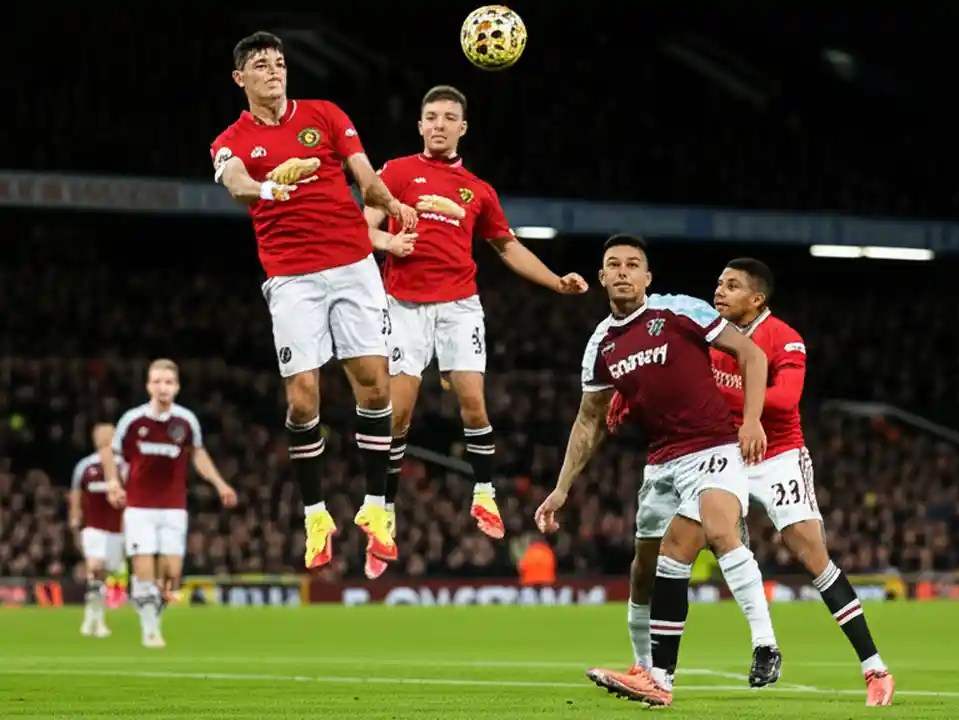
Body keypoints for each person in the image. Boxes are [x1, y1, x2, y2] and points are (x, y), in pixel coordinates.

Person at [589, 258, 896, 706]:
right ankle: (660, 677)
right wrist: (628, 390)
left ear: (757, 299)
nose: (719, 292)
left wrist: (722, 394)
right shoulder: (710, 334)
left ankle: (874, 668)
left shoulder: (784, 338)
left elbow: (785, 400)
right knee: (678, 548)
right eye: (718, 283)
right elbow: (668, 373)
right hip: (721, 453)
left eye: (731, 286)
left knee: (812, 557)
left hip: (777, 455)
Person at [534, 234, 780, 707]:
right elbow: (588, 421)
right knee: (650, 565)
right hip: (662, 463)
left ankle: (764, 644)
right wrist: (561, 489)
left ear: (648, 277)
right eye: (613, 265)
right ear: (602, 277)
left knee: (720, 529)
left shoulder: (679, 311)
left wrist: (750, 421)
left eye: (633, 265)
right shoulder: (602, 345)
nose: (623, 271)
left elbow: (752, 354)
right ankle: (649, 672)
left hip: (712, 447)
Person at [209, 31, 418, 571]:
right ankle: (316, 514)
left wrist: (391, 201)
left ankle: (375, 509)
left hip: (353, 266)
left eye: (279, 63)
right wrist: (271, 188)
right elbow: (235, 182)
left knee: (374, 386)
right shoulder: (231, 139)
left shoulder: (325, 115)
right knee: (304, 399)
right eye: (261, 65)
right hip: (292, 278)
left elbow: (365, 176)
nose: (274, 71)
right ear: (241, 78)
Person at [364, 84, 587, 578]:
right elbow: (362, 227)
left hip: (460, 305)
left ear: (463, 128)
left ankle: (484, 494)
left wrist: (555, 280)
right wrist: (387, 241)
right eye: (431, 116)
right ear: (419, 125)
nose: (439, 124)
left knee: (473, 399)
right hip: (403, 306)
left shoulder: (478, 191)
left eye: (449, 117)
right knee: (398, 414)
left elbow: (507, 248)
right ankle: (384, 512)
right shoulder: (396, 172)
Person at [100, 359, 237, 648]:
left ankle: (147, 603)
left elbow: (198, 454)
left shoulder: (186, 421)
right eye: (158, 382)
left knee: (172, 574)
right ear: (149, 386)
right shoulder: (133, 420)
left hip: (174, 507)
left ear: (177, 387)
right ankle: (150, 628)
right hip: (139, 507)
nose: (163, 387)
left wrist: (220, 483)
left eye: (168, 382)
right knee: (144, 567)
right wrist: (113, 483)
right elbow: (113, 454)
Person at [70, 422, 128, 638]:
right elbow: (76, 497)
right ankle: (92, 620)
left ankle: (95, 617)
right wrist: (75, 522)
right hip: (93, 528)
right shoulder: (85, 466)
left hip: (116, 531)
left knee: (102, 576)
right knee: (95, 567)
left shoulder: (125, 466)